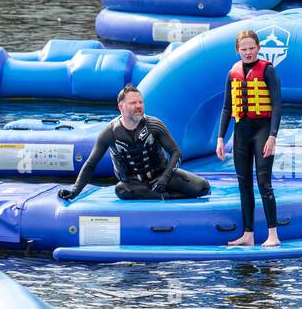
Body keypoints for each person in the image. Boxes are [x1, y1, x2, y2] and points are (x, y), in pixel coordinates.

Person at [57, 85, 209, 202]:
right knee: (121, 190)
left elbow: (176, 152)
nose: (138, 106)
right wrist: (75, 190)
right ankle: (167, 197)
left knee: (202, 187)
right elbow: (91, 164)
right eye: (133, 103)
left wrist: (165, 178)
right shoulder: (109, 133)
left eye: (140, 102)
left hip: (161, 176)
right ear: (121, 107)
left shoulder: (154, 125)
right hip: (134, 184)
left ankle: (159, 194)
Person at [215, 29, 282, 247]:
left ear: (259, 48)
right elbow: (227, 108)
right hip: (241, 133)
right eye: (243, 49)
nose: (248, 52)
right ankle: (248, 234)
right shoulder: (232, 73)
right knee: (243, 184)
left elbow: (277, 105)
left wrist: (272, 136)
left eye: (252, 48)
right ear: (237, 51)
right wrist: (220, 138)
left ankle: (273, 234)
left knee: (264, 182)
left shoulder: (267, 70)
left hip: (262, 131)